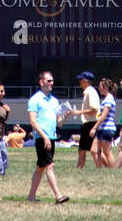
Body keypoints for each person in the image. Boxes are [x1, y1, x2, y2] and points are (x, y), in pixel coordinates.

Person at [27, 71, 71, 203]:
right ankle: (58, 195)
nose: (51, 83)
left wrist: (66, 116)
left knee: (40, 167)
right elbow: (33, 122)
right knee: (49, 166)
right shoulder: (34, 99)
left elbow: (59, 123)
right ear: (41, 82)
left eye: (52, 81)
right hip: (42, 139)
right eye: (48, 81)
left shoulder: (55, 101)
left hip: (51, 138)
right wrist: (44, 137)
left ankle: (31, 196)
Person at [74, 71, 101, 170]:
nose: (79, 82)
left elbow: (94, 109)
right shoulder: (89, 92)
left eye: (81, 80)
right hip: (88, 124)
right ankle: (79, 168)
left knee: (87, 150)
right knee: (83, 150)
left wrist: (79, 112)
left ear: (85, 81)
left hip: (90, 124)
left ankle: (100, 168)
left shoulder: (90, 92)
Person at [89, 78, 118, 167]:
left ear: (105, 87)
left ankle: (113, 170)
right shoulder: (106, 99)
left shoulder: (109, 99)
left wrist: (94, 128)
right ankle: (101, 169)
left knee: (107, 152)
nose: (99, 89)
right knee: (94, 150)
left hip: (107, 128)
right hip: (102, 128)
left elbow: (104, 116)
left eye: (100, 86)